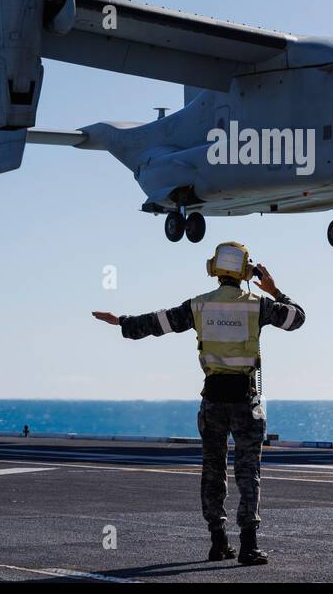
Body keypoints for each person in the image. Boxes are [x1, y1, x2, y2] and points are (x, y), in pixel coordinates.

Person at [92, 241, 305, 566]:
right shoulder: (257, 305)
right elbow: (297, 319)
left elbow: (157, 322)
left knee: (212, 471)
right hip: (245, 400)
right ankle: (248, 545)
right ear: (248, 271)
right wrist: (275, 290)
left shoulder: (199, 306)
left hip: (213, 400)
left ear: (215, 270)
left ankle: (218, 542)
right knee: (248, 472)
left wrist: (122, 322)